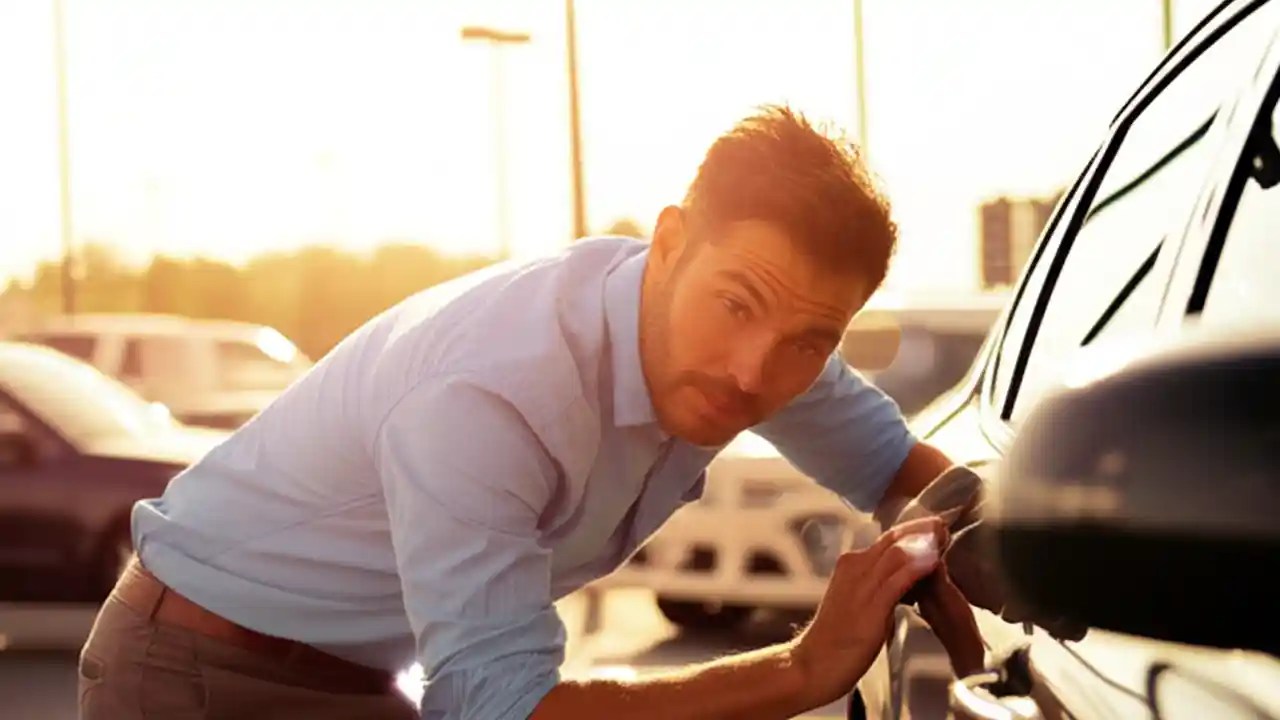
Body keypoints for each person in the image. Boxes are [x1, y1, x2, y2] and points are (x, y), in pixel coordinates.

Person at [78, 106, 982, 720]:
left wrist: (1020, 544)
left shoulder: (771, 337)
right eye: (737, 305)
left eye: (810, 340)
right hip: (197, 674)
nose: (756, 373)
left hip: (361, 673)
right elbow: (504, 708)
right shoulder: (492, 394)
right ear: (668, 246)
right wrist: (802, 669)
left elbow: (901, 469)